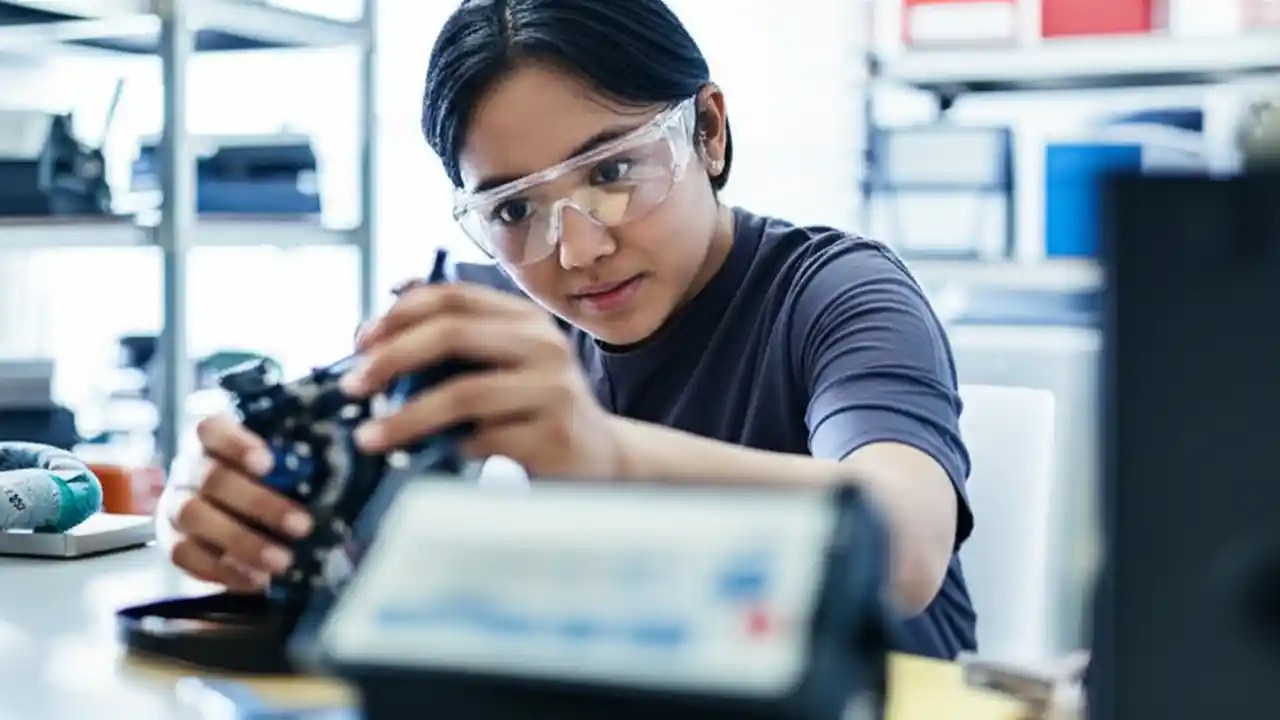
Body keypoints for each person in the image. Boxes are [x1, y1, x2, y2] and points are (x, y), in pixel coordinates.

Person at [158, 0, 978, 660]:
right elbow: (308, 451)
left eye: (615, 171)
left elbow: (904, 547)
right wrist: (226, 490)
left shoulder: (836, 292)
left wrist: (605, 454)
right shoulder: (489, 325)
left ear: (710, 130)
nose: (578, 250)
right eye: (514, 209)